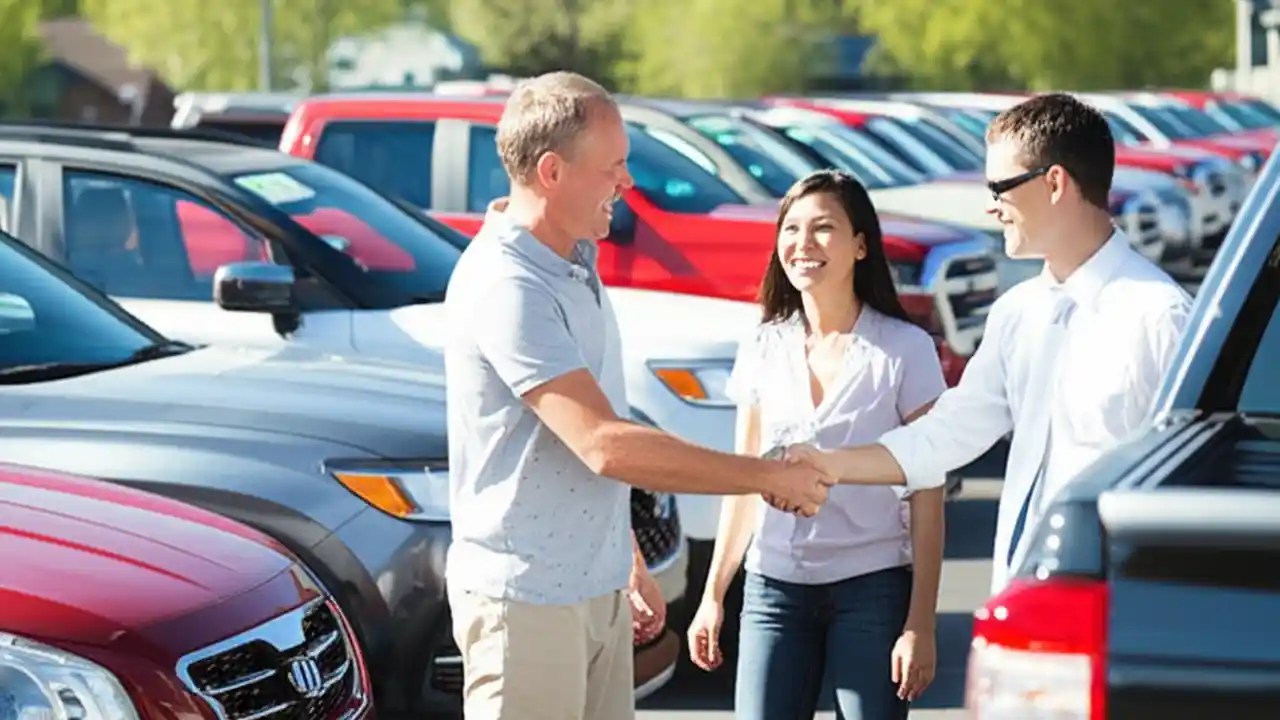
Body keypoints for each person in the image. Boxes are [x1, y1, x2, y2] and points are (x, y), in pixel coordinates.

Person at [441, 70, 835, 720]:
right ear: (551, 172)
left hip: (593, 590)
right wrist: (765, 476)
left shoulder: (574, 259)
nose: (627, 184)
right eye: (613, 168)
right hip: (527, 604)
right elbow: (601, 443)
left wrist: (621, 558)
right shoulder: (507, 285)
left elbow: (581, 440)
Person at [781, 92, 1193, 595]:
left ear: (1055, 182)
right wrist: (831, 463)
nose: (991, 206)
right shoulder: (1019, 312)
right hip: (1021, 598)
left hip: (1114, 608)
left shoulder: (1159, 318)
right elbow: (949, 433)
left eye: (1000, 187)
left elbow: (1184, 490)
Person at [685, 170, 946, 720]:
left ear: (860, 245)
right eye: (791, 229)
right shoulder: (762, 344)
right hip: (773, 589)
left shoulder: (905, 349)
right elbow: (744, 482)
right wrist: (713, 595)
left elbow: (928, 490)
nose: (803, 244)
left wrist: (920, 623)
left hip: (872, 588)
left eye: (823, 228)